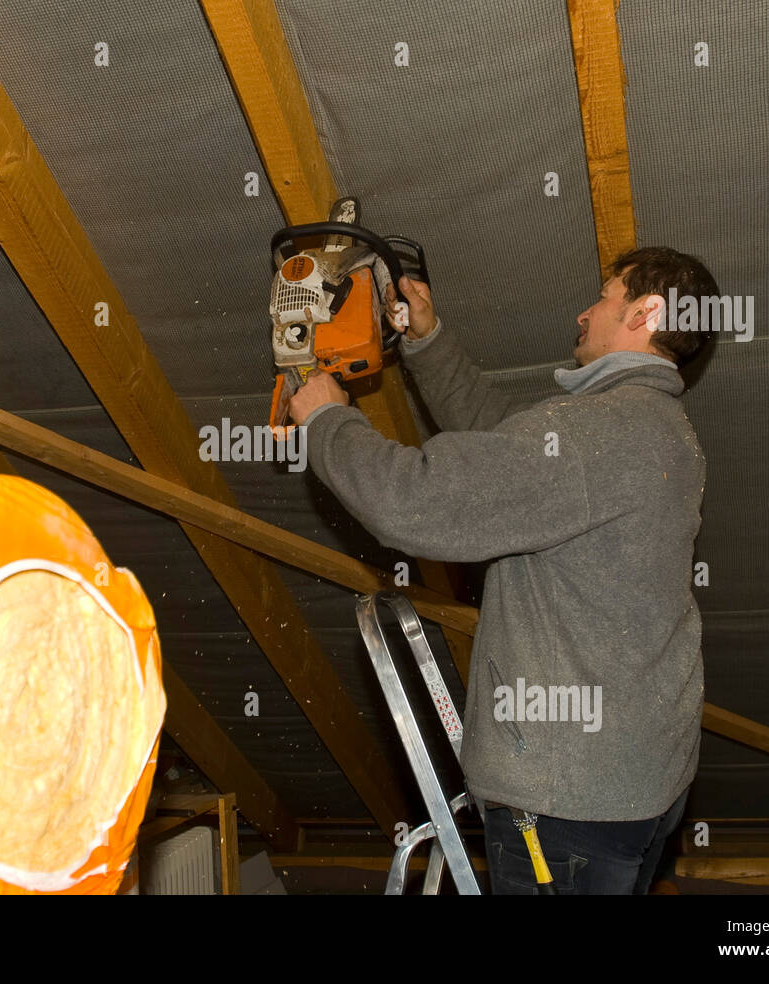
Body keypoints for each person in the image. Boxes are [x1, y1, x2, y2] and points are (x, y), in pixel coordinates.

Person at [287, 247, 720, 894]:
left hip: (565, 803)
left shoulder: (600, 434)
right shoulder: (655, 427)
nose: (584, 310)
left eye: (604, 295)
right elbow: (511, 453)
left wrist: (327, 421)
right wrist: (429, 343)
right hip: (638, 779)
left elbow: (415, 505)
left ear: (645, 312)